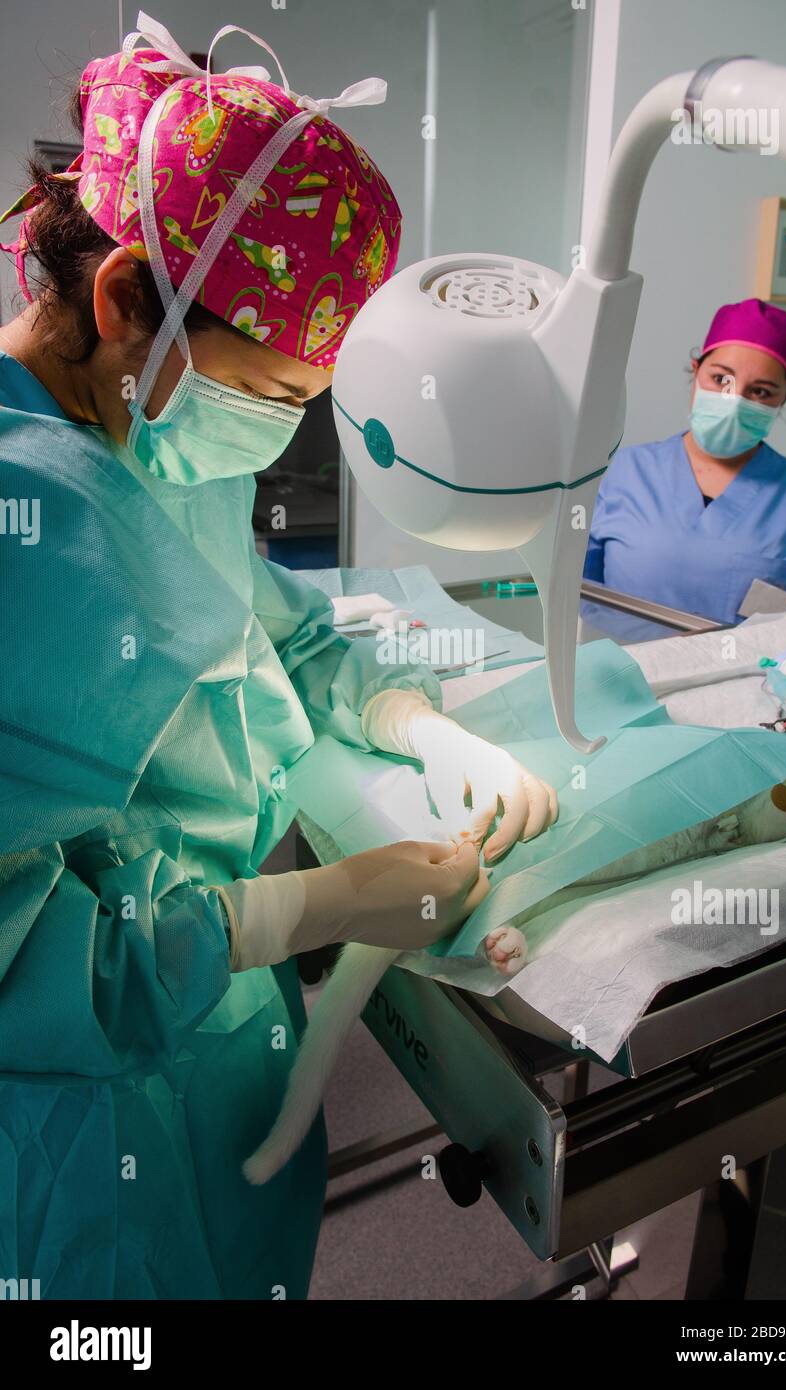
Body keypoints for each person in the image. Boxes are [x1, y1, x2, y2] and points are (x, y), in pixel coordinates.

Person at [0, 17, 556, 1300]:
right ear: (128, 299)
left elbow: (277, 631)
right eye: (278, 393)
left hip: (221, 1048)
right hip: (82, 1133)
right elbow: (15, 958)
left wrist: (416, 718)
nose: (283, 429)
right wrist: (306, 908)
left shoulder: (152, 441)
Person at [584, 298, 786, 635]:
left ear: (785, 398)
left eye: (760, 391)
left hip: (747, 686)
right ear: (696, 369)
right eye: (720, 379)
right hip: (623, 678)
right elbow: (570, 590)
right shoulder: (617, 476)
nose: (734, 401)